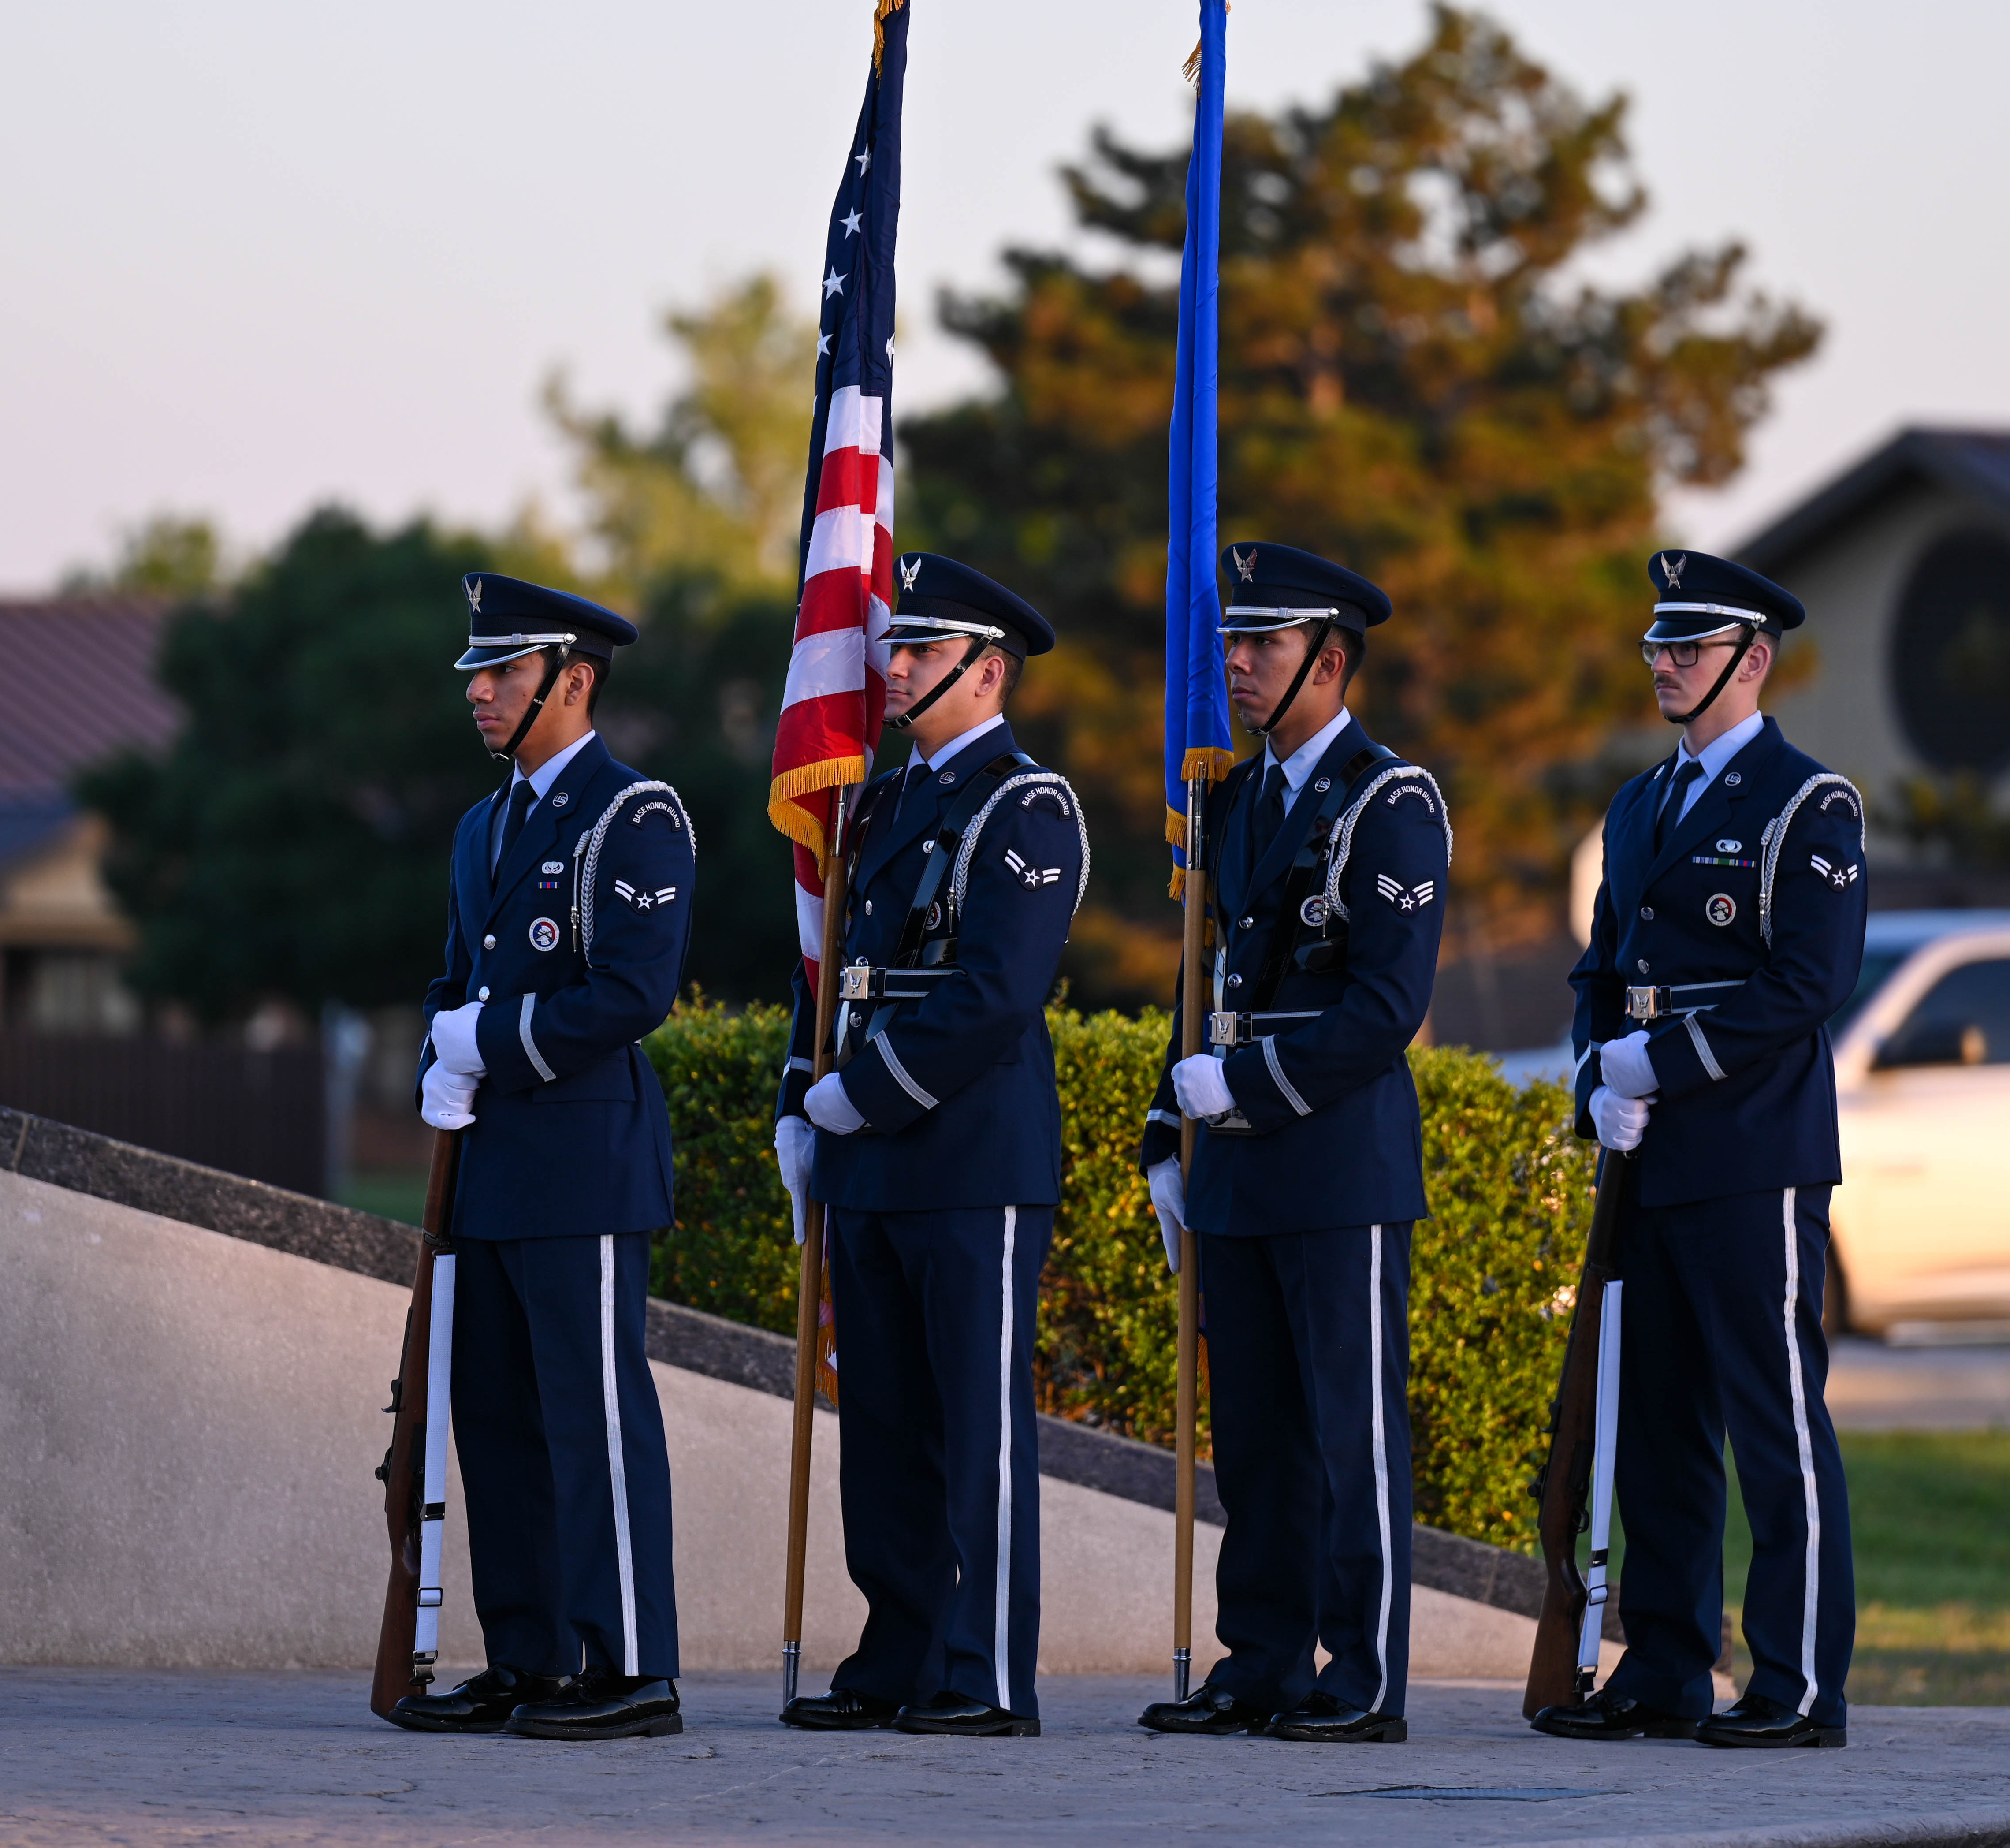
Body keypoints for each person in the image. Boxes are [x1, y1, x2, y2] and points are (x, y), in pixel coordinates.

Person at [1531, 549, 1865, 1752]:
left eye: (1690, 646)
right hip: (1649, 1156)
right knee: (1656, 1421)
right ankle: (1667, 1663)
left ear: (1752, 658)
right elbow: (1600, 972)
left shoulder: (1807, 804)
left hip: (1753, 1151)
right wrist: (1594, 1079)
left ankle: (1800, 1682)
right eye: (1657, 646)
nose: (1664, 665)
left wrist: (1658, 1065)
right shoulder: (1638, 805)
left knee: (1774, 1420)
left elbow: (1806, 984)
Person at [1133, 544, 1448, 1746]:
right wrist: (1169, 1125)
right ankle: (1262, 1660)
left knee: (1349, 1433)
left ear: (1330, 658)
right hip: (1237, 1158)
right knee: (1258, 1433)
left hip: (1333, 1158)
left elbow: (1385, 1006)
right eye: (1233, 641)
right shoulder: (1234, 797)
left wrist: (1247, 1086)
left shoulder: (1391, 800)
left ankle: (1362, 1675)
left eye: (1263, 643)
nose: (1238, 663)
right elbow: (1210, 972)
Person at [770, 555, 1087, 1740]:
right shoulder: (878, 804)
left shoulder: (1027, 805)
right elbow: (831, 970)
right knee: (886, 1423)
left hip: (968, 1159)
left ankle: (986, 1668)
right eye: (895, 646)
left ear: (988, 671)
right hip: (871, 1161)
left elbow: (994, 993)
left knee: (975, 1426)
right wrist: (800, 1093)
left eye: (920, 650)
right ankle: (899, 1650)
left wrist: (864, 1094)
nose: (893, 666)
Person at [389, 574, 697, 1743]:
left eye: (503, 671)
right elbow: (454, 978)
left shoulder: (634, 814)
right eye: (476, 671)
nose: (478, 691)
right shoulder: (484, 826)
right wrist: (439, 1046)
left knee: (594, 1419)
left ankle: (632, 1665)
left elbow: (631, 992)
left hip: (583, 1164)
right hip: (493, 1168)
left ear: (572, 680)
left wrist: (491, 1040)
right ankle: (529, 1657)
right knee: (499, 1421)